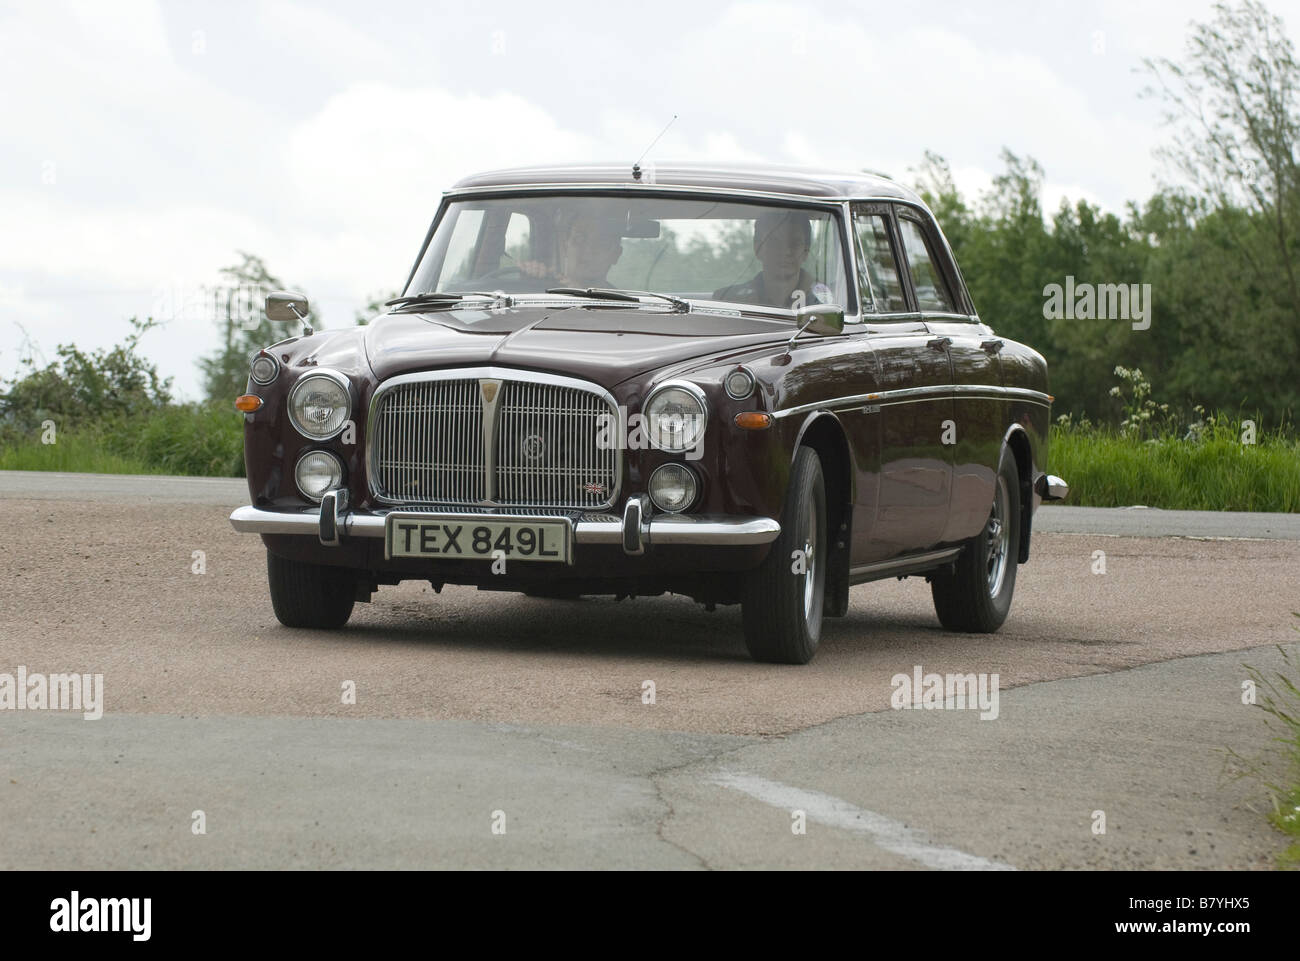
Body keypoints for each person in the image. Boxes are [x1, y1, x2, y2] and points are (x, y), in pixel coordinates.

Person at [713, 210, 832, 309]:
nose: (786, 251)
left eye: (794, 243)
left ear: (806, 251)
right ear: (758, 249)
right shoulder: (728, 301)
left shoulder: (827, 302)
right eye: (775, 242)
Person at [517, 206, 625, 289]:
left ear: (616, 254)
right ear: (565, 246)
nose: (588, 250)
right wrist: (529, 280)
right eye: (579, 239)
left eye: (601, 243)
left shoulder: (624, 308)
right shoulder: (544, 287)